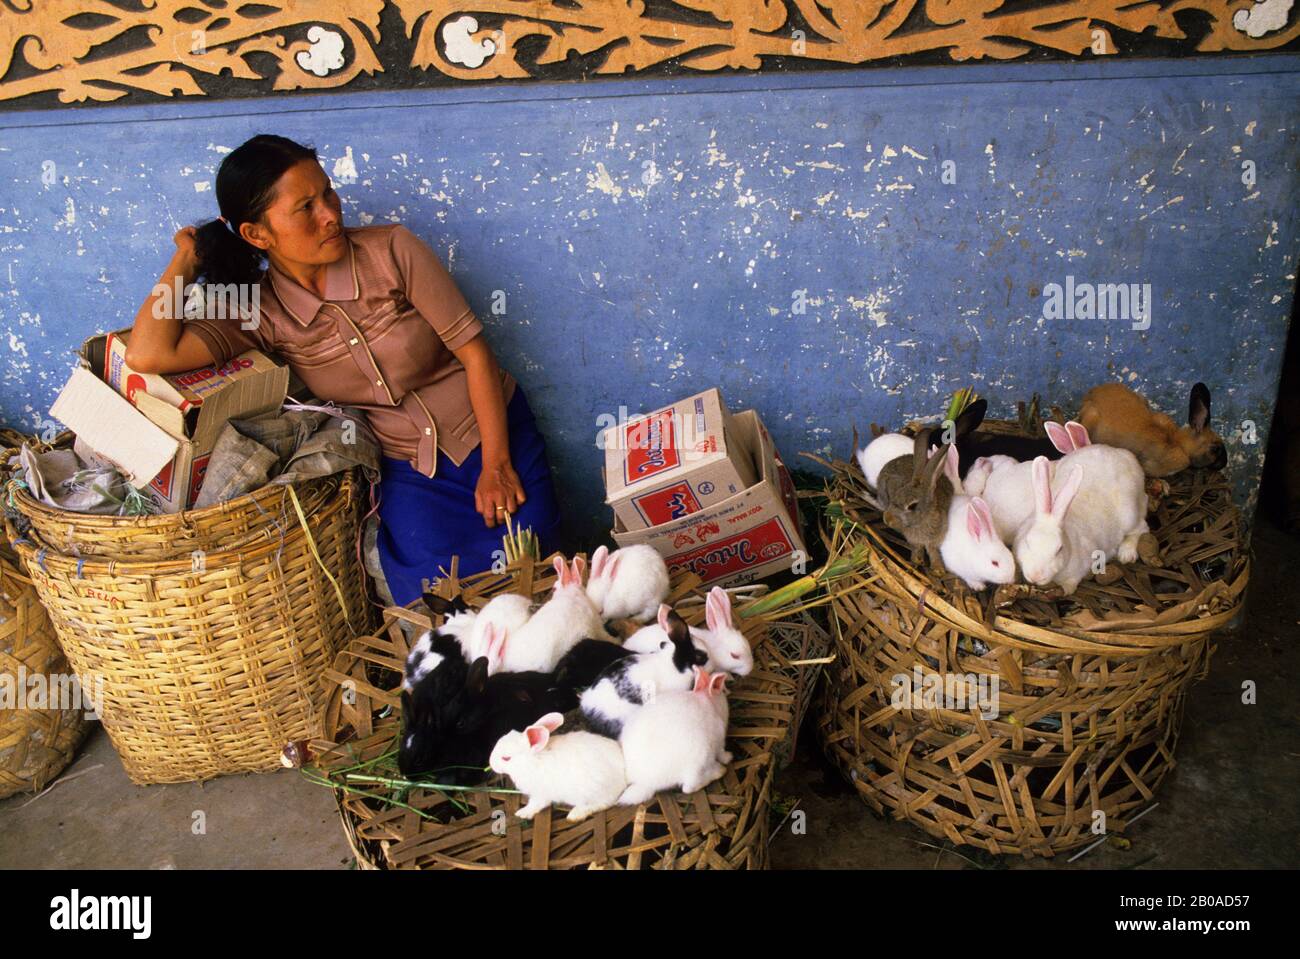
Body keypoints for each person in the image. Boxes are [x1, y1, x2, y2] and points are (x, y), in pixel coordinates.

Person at [126, 133, 562, 606]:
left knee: (531, 568)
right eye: (306, 207)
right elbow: (148, 354)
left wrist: (497, 465)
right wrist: (188, 256)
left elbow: (475, 355)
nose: (331, 214)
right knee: (435, 596)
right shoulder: (262, 310)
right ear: (256, 234)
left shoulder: (392, 250)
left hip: (491, 432)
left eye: (328, 193)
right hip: (411, 465)